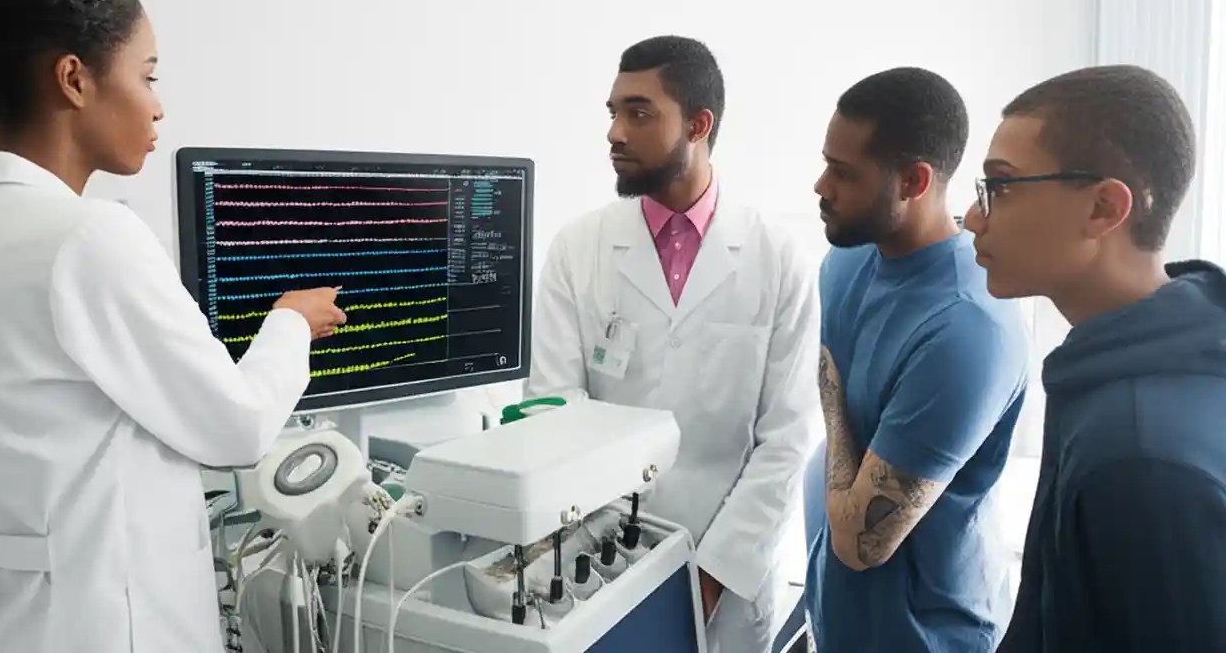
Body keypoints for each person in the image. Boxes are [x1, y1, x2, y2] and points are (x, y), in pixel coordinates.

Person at [0, 0, 345, 652]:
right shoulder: (89, 237)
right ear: (74, 78)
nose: (158, 105)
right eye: (147, 74)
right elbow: (237, 428)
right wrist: (289, 322)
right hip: (108, 624)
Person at [525, 35, 821, 652]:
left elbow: (786, 438)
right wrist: (615, 563)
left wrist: (709, 577)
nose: (615, 132)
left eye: (639, 113)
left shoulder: (775, 257)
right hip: (595, 570)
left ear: (698, 125)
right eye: (613, 112)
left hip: (728, 578)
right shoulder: (578, 249)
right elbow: (551, 410)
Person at [964, 65, 1226, 652]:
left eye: (1001, 187)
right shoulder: (1117, 371)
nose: (975, 218)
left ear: (1103, 208)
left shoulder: (1142, 455)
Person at [806, 67, 1029, 652]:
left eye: (844, 173)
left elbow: (860, 543)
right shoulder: (845, 261)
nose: (821, 186)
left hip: (929, 635)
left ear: (914, 181)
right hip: (842, 619)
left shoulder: (966, 327)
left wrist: (830, 399)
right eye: (827, 163)